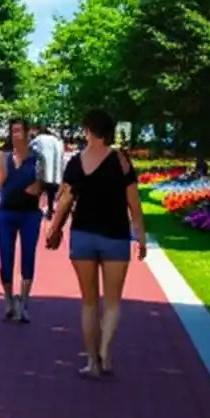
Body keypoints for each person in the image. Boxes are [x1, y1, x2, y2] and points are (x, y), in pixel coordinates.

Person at [45, 108, 148, 379]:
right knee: (113, 303)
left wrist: (54, 228)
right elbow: (134, 204)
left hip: (83, 236)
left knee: (89, 302)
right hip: (115, 235)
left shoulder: (76, 163)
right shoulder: (122, 162)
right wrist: (141, 235)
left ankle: (92, 362)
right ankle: (105, 351)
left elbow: (65, 199)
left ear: (89, 130)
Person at [0, 119, 43, 322]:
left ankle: (24, 301)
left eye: (19, 131)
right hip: (7, 213)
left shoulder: (37, 159)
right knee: (6, 257)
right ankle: (8, 299)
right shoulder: (3, 157)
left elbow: (40, 185)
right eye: (12, 131)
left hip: (30, 214)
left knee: (28, 256)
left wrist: (36, 188)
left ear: (28, 133)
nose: (15, 135)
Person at [31, 124, 64, 219]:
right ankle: (50, 210)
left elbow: (30, 150)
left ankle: (34, 210)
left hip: (43, 171)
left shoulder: (39, 139)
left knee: (37, 192)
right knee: (51, 193)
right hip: (55, 174)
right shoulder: (58, 140)